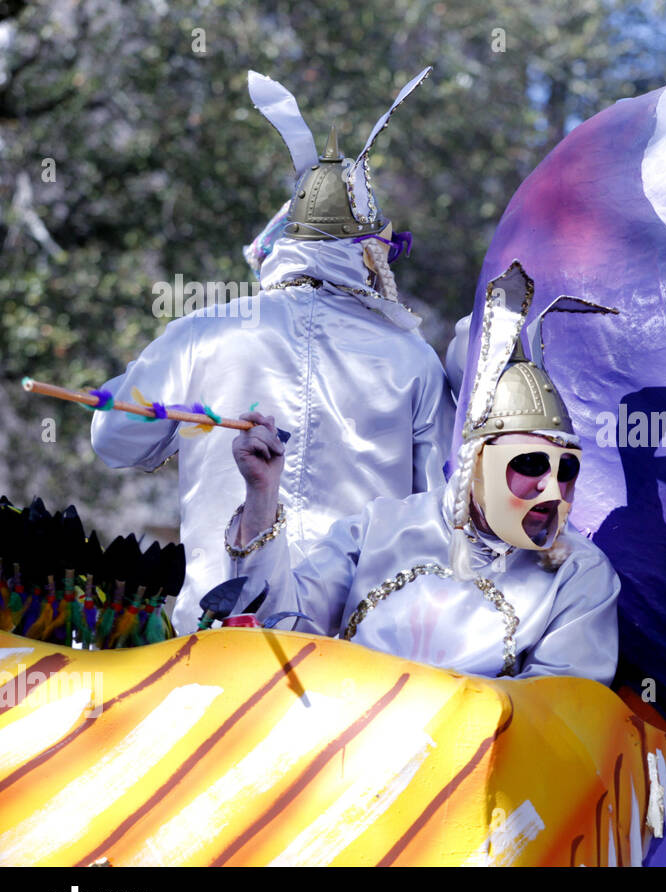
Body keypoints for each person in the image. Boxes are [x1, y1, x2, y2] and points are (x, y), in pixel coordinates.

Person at [91, 69, 455, 633]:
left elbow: (114, 437)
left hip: (221, 635)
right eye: (390, 250)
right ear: (367, 255)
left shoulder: (202, 333)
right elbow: (441, 508)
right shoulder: (413, 357)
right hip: (361, 646)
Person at [223, 262, 620, 684]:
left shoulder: (579, 573)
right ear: (477, 462)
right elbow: (275, 632)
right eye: (529, 463)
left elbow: (563, 710)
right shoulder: (378, 529)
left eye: (566, 469)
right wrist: (261, 494)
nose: (551, 488)